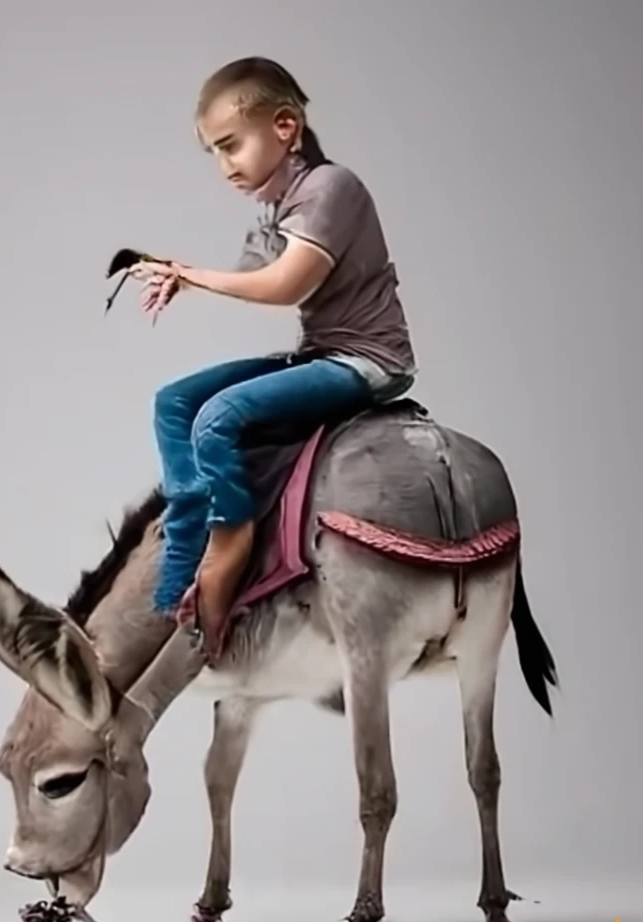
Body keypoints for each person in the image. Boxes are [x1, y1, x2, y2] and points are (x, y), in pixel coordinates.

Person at [131, 56, 418, 647]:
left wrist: (193, 275)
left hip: (365, 361)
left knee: (218, 418)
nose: (223, 166)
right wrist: (178, 276)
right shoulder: (279, 205)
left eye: (231, 145)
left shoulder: (331, 188)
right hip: (319, 353)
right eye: (213, 151)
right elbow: (247, 272)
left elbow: (286, 284)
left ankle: (230, 537)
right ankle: (185, 547)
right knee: (175, 402)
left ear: (285, 127)